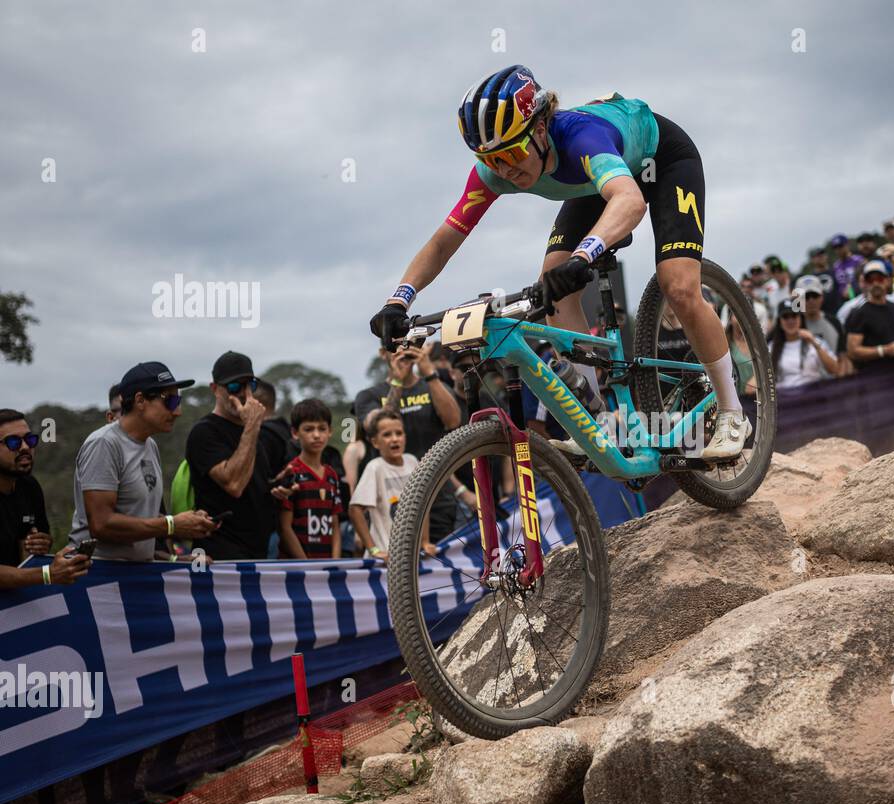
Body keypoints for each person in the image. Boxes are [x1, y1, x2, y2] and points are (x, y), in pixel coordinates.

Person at [368, 65, 749, 460]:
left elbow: (630, 200)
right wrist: (399, 300)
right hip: (597, 182)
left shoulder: (580, 138)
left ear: (539, 129)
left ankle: (732, 412)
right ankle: (597, 422)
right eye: (492, 161)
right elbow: (444, 240)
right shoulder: (496, 170)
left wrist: (585, 255)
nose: (505, 170)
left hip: (662, 161)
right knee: (553, 284)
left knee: (679, 285)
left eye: (511, 154)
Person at [68, 363, 215, 561]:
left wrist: (185, 531)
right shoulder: (104, 443)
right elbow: (101, 525)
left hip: (136, 574)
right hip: (98, 575)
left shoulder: (150, 446)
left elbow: (140, 522)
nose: (177, 411)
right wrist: (171, 525)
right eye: (170, 402)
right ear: (140, 400)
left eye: (178, 401)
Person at [185, 351, 278, 560]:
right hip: (220, 555)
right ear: (215, 389)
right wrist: (252, 425)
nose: (244, 393)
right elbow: (234, 484)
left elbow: (256, 485)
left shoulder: (253, 432)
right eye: (234, 387)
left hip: (258, 551)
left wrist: (280, 487)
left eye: (250, 385)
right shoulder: (204, 432)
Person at [0, 409, 89, 589]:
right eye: (13, 442)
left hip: (17, 604)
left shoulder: (29, 487)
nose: (25, 447)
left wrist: (43, 544)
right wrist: (48, 574)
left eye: (29, 439)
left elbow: (42, 539)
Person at [349, 409, 437, 560]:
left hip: (410, 556)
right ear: (375, 442)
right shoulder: (375, 467)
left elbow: (424, 504)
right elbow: (355, 509)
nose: (394, 439)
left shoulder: (412, 462)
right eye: (387, 435)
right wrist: (373, 550)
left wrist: (425, 541)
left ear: (405, 436)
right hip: (385, 557)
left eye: (399, 433)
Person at [277, 399, 343, 560]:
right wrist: (307, 565)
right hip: (297, 568)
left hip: (326, 567)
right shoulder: (291, 473)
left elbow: (334, 524)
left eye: (322, 429)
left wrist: (334, 562)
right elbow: (285, 528)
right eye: (308, 429)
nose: (316, 435)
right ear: (295, 433)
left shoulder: (332, 475)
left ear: (330, 432)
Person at [844, 261, 894, 367]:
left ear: (887, 281)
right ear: (865, 283)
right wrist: (884, 350)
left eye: (879, 279)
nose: (875, 283)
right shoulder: (858, 313)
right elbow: (852, 351)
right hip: (876, 376)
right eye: (871, 280)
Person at [768, 300, 838, 389]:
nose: (790, 321)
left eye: (794, 316)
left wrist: (814, 343)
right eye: (785, 317)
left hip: (812, 397)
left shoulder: (815, 341)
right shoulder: (771, 348)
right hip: (784, 398)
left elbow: (835, 370)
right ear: (779, 322)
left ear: (801, 318)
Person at [792, 274, 844, 366]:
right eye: (806, 297)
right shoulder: (791, 326)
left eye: (815, 296)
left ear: (822, 297)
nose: (811, 301)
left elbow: (843, 356)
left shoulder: (834, 322)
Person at [829, 233, 865, 303]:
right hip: (844, 302)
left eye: (840, 246)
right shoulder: (836, 266)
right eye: (835, 248)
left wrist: (853, 288)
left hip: (861, 297)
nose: (838, 250)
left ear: (847, 245)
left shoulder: (859, 260)